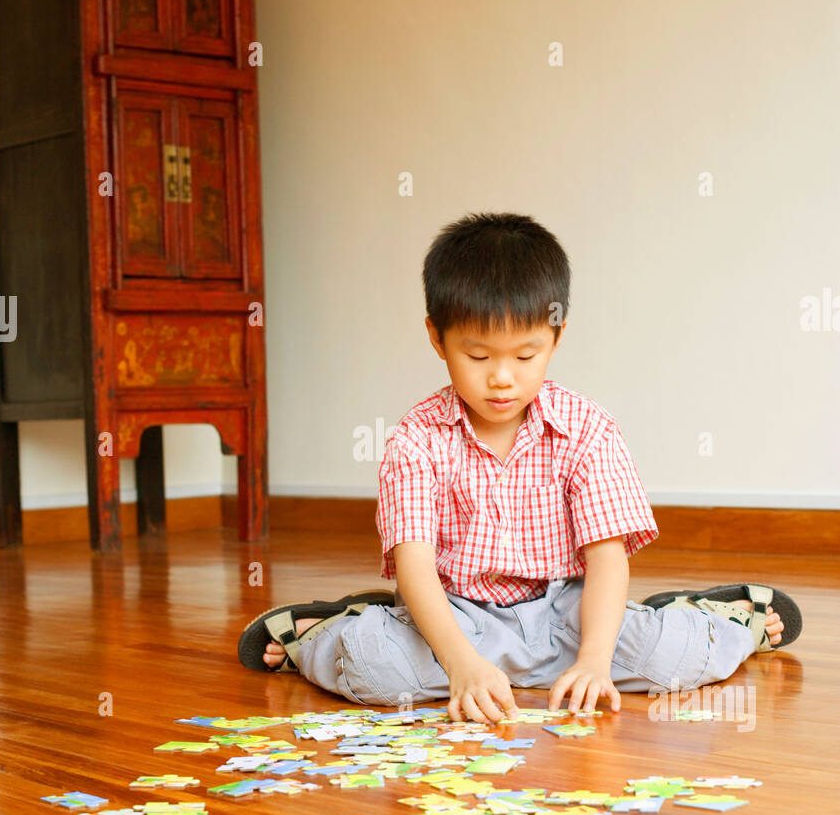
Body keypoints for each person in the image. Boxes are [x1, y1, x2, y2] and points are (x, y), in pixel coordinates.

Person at [238, 213, 801, 724]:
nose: (502, 378)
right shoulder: (415, 439)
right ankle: (321, 633)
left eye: (525, 356)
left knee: (677, 659)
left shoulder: (587, 428)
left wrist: (595, 661)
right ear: (437, 338)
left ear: (556, 337)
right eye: (478, 356)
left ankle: (727, 619)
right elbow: (414, 566)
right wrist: (461, 664)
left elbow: (606, 558)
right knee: (372, 668)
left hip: (567, 614)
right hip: (456, 618)